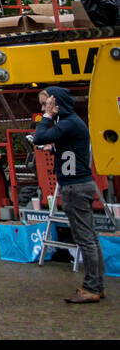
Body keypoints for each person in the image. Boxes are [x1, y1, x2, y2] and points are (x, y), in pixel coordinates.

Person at [32, 86, 105, 303]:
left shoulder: (68, 122)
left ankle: (92, 287)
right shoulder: (71, 123)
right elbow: (71, 148)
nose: (44, 108)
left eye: (46, 104)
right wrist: (53, 150)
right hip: (79, 183)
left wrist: (46, 116)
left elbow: (39, 137)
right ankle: (96, 285)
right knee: (90, 237)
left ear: (56, 103)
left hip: (75, 186)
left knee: (86, 239)